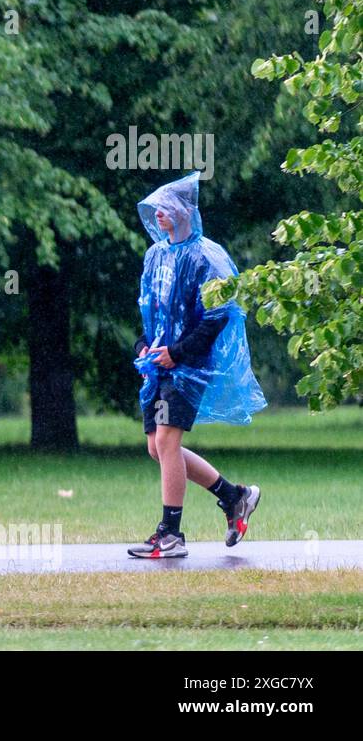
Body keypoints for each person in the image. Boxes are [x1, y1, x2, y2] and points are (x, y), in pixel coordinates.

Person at [128, 172, 267, 559]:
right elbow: (149, 310)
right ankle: (234, 496)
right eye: (156, 209)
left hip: (190, 366)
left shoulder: (207, 256)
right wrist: (144, 347)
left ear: (187, 211)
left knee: (169, 439)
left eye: (167, 208)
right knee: (157, 447)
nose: (159, 215)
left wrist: (180, 352)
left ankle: (170, 534)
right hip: (160, 366)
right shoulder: (155, 256)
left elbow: (218, 315)